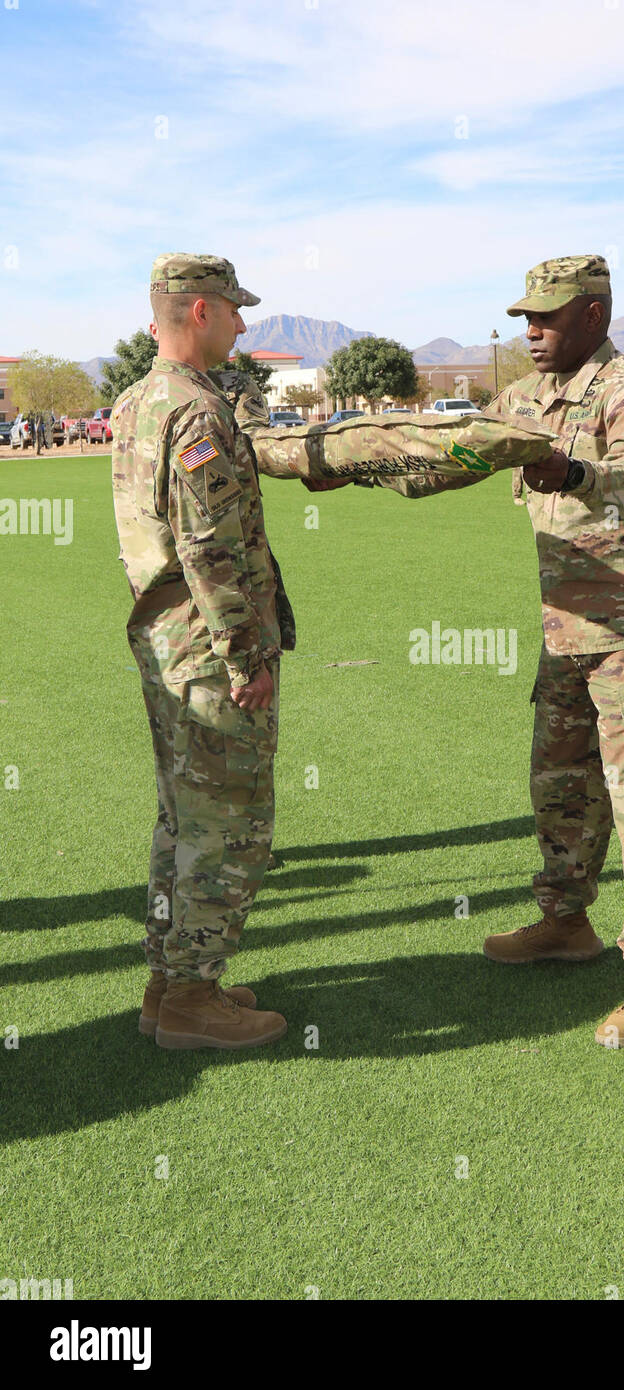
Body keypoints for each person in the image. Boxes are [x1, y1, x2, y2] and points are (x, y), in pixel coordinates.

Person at [473, 254, 624, 1048]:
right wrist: (363, 461)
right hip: (565, 625)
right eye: (524, 319)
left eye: (546, 317)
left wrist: (570, 470)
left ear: (593, 316)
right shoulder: (527, 395)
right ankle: (565, 923)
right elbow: (460, 441)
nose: (531, 332)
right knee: (561, 782)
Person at [111, 252, 298, 1050]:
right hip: (206, 643)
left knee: (181, 817)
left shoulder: (134, 400)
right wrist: (245, 655)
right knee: (229, 822)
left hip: (163, 636)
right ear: (198, 311)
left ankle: (168, 978)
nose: (242, 324)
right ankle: (193, 998)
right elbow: (209, 543)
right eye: (233, 309)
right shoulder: (195, 410)